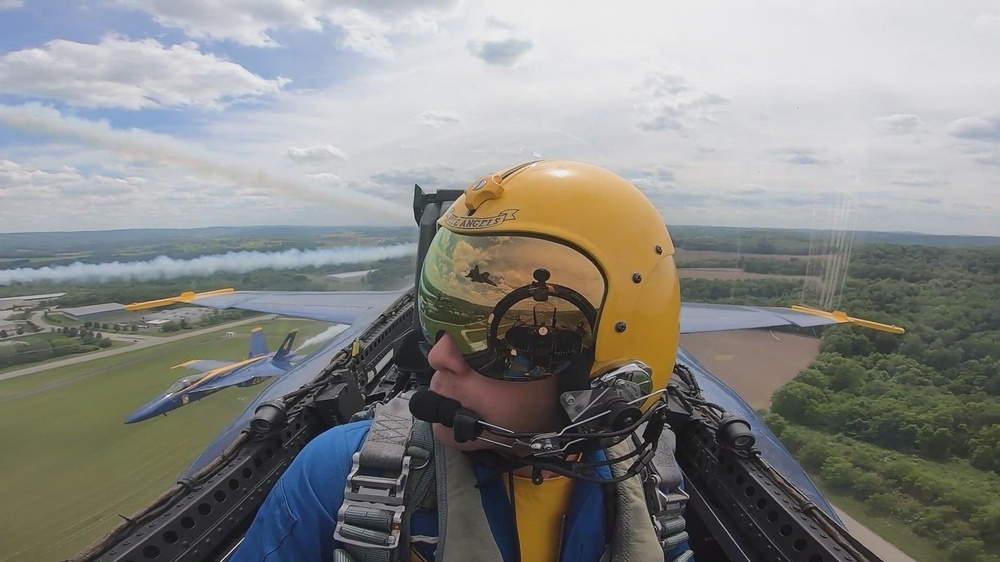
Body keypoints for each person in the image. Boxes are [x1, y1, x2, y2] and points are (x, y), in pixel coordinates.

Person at [229, 160, 694, 562]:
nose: (439, 356)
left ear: (606, 373)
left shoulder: (656, 488)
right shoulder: (337, 475)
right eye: (438, 318)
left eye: (523, 344)